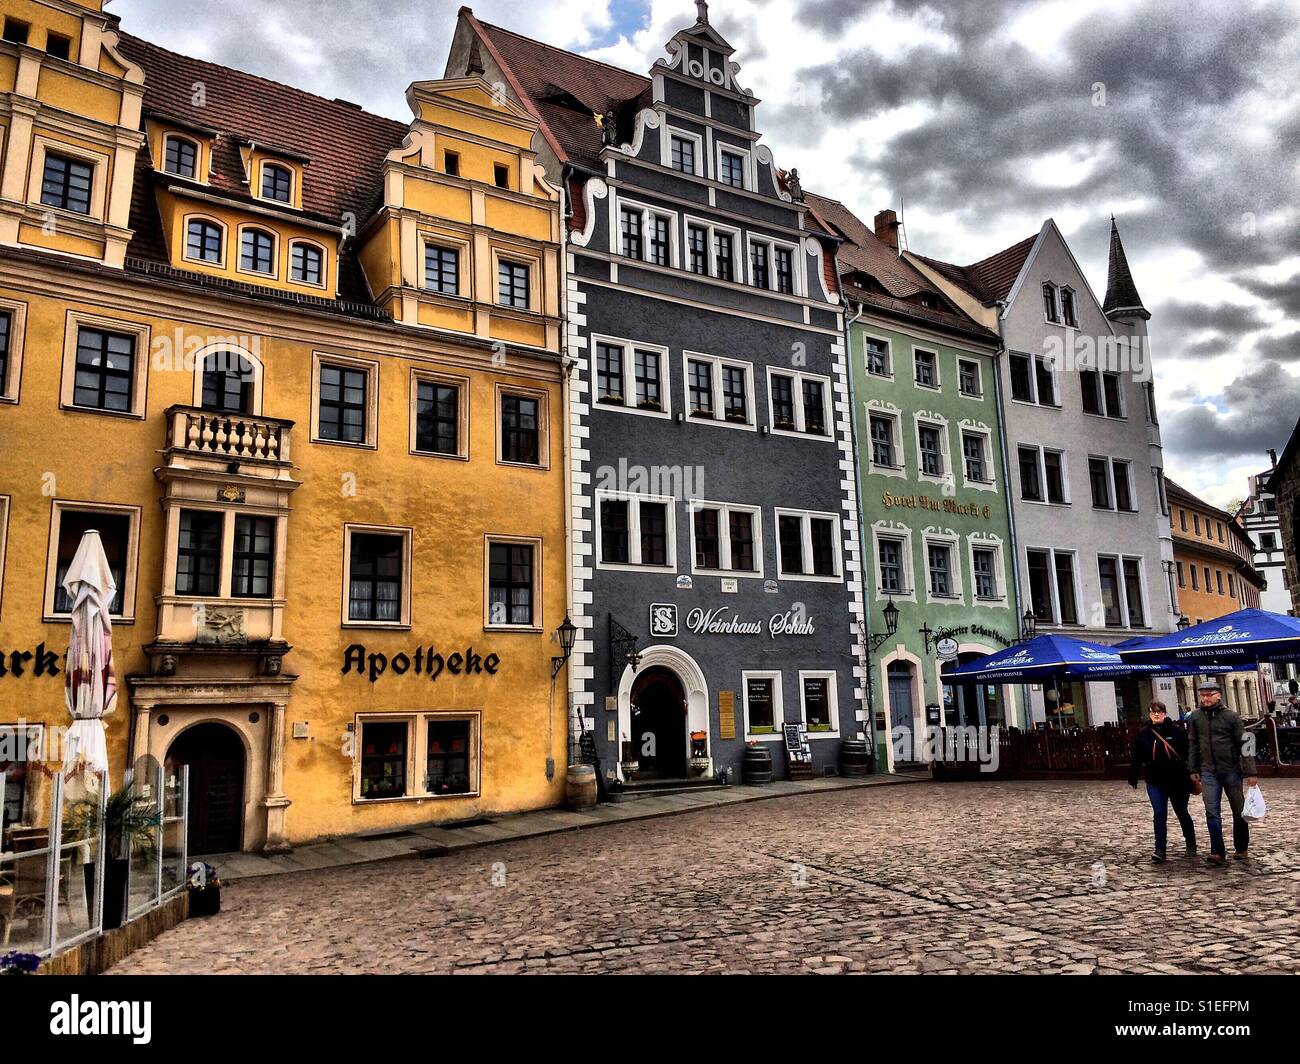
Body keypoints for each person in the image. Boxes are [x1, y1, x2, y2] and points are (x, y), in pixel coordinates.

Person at [1187, 679, 1258, 866]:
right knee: (1211, 811)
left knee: (1238, 810)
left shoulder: (1231, 717)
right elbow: (1193, 743)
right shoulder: (1195, 717)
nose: (1205, 698)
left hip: (1231, 770)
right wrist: (1193, 768)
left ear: (1218, 695)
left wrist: (1251, 771)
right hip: (1208, 771)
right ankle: (1217, 851)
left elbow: (1246, 744)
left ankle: (1241, 847)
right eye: (1202, 695)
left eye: (1209, 695)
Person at [1128, 701, 1196, 862]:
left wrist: (1193, 771)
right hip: (1154, 779)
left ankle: (1191, 842)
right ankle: (1160, 849)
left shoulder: (1177, 732)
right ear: (1149, 714)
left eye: (1159, 712)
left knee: (1181, 812)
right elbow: (1137, 756)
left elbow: (1188, 753)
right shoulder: (1144, 734)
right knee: (1159, 814)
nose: (1156, 715)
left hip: (1177, 779)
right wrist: (1133, 775)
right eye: (1153, 712)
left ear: (1165, 713)